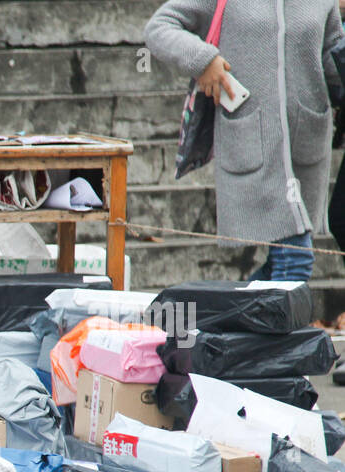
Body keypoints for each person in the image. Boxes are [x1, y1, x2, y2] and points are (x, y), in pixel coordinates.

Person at [145, 0, 343, 282]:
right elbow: (159, 27)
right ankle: (251, 319)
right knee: (295, 261)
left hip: (305, 150)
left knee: (283, 264)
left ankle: (232, 317)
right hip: (253, 146)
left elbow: (332, 58)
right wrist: (204, 60)